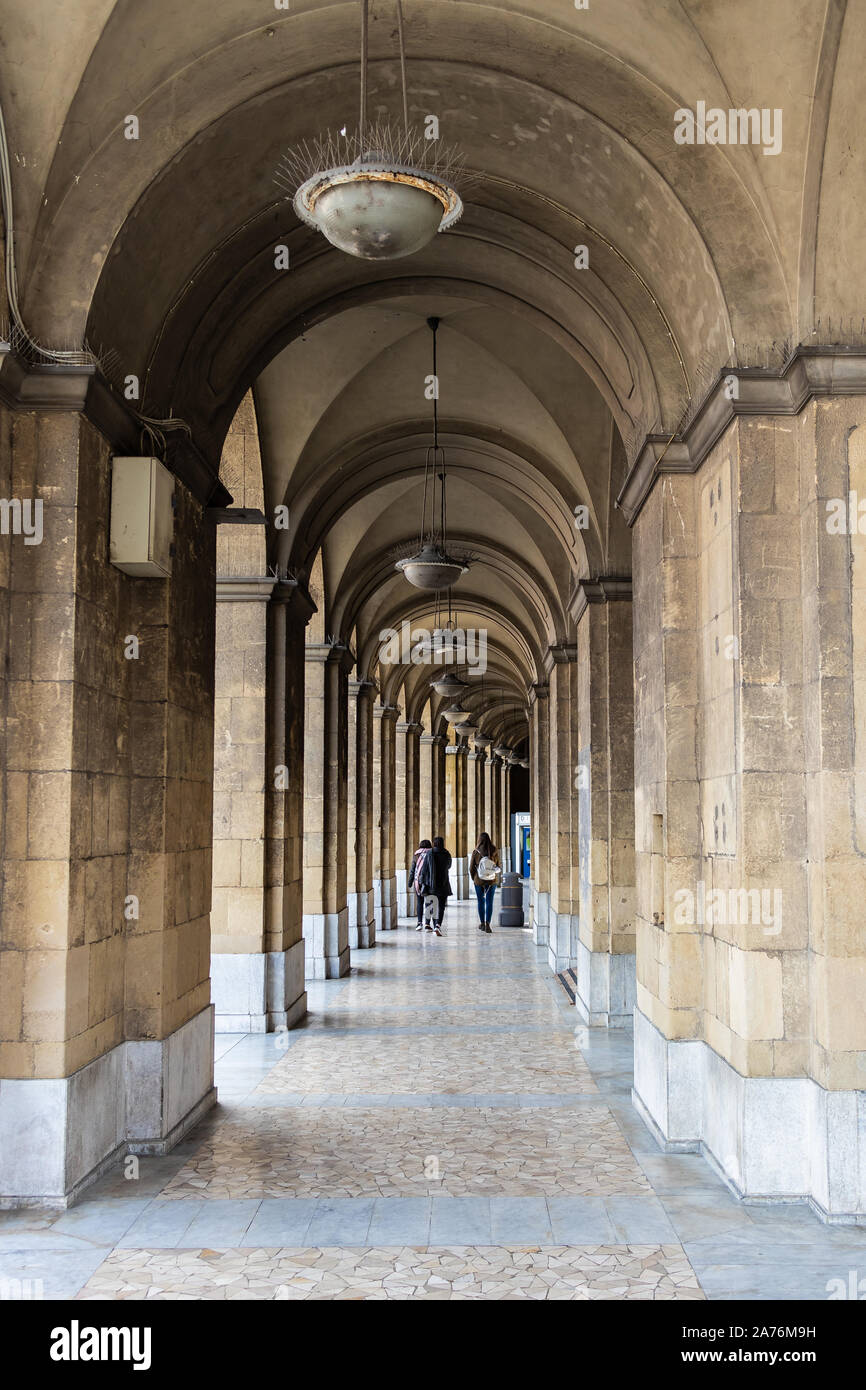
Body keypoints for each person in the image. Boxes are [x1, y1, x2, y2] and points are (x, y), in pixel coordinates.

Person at [417, 835, 453, 936]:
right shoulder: (446, 854)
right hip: (443, 883)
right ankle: (437, 926)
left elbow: (424, 869)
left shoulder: (429, 853)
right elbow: (449, 866)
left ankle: (428, 924)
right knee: (441, 906)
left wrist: (421, 882)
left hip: (430, 884)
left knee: (430, 905)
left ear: (434, 843)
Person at [469, 831, 500, 932]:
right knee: (489, 902)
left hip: (479, 880)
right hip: (491, 880)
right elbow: (498, 866)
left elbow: (471, 867)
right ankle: (488, 924)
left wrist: (474, 878)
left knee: (480, 901)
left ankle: (482, 923)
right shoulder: (494, 850)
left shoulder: (476, 851)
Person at [408, 839, 433, 930]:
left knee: (419, 902)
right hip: (429, 882)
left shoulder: (416, 855)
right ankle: (427, 923)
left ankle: (419, 923)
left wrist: (410, 882)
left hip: (417, 882)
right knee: (429, 902)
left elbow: (412, 870)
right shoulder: (431, 854)